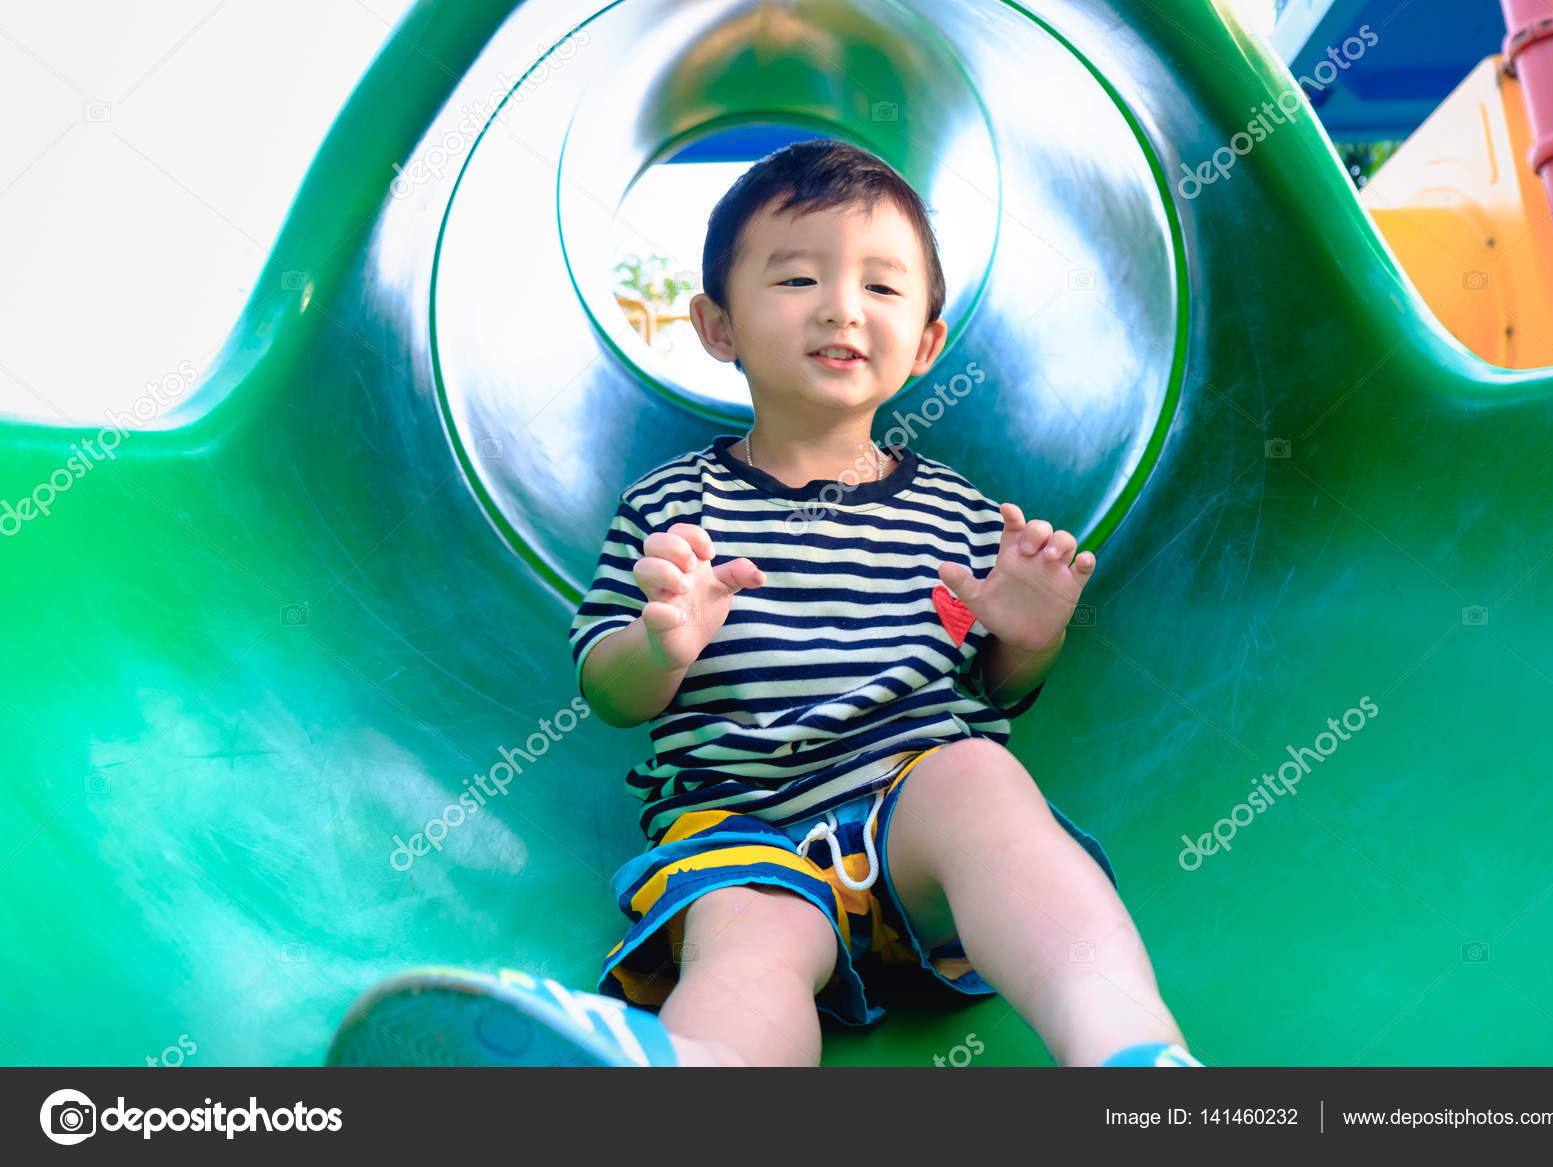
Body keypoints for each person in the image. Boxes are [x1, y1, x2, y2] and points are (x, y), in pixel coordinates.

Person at [326, 139, 1199, 1070]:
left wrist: (1029, 637)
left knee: (985, 786)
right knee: (748, 943)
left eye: (883, 287)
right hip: (740, 824)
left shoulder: (960, 514)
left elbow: (986, 683)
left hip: (913, 818)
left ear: (928, 343)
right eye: (795, 279)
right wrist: (661, 645)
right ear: (718, 325)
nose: (840, 306)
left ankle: (1133, 1055)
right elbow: (609, 689)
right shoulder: (672, 508)